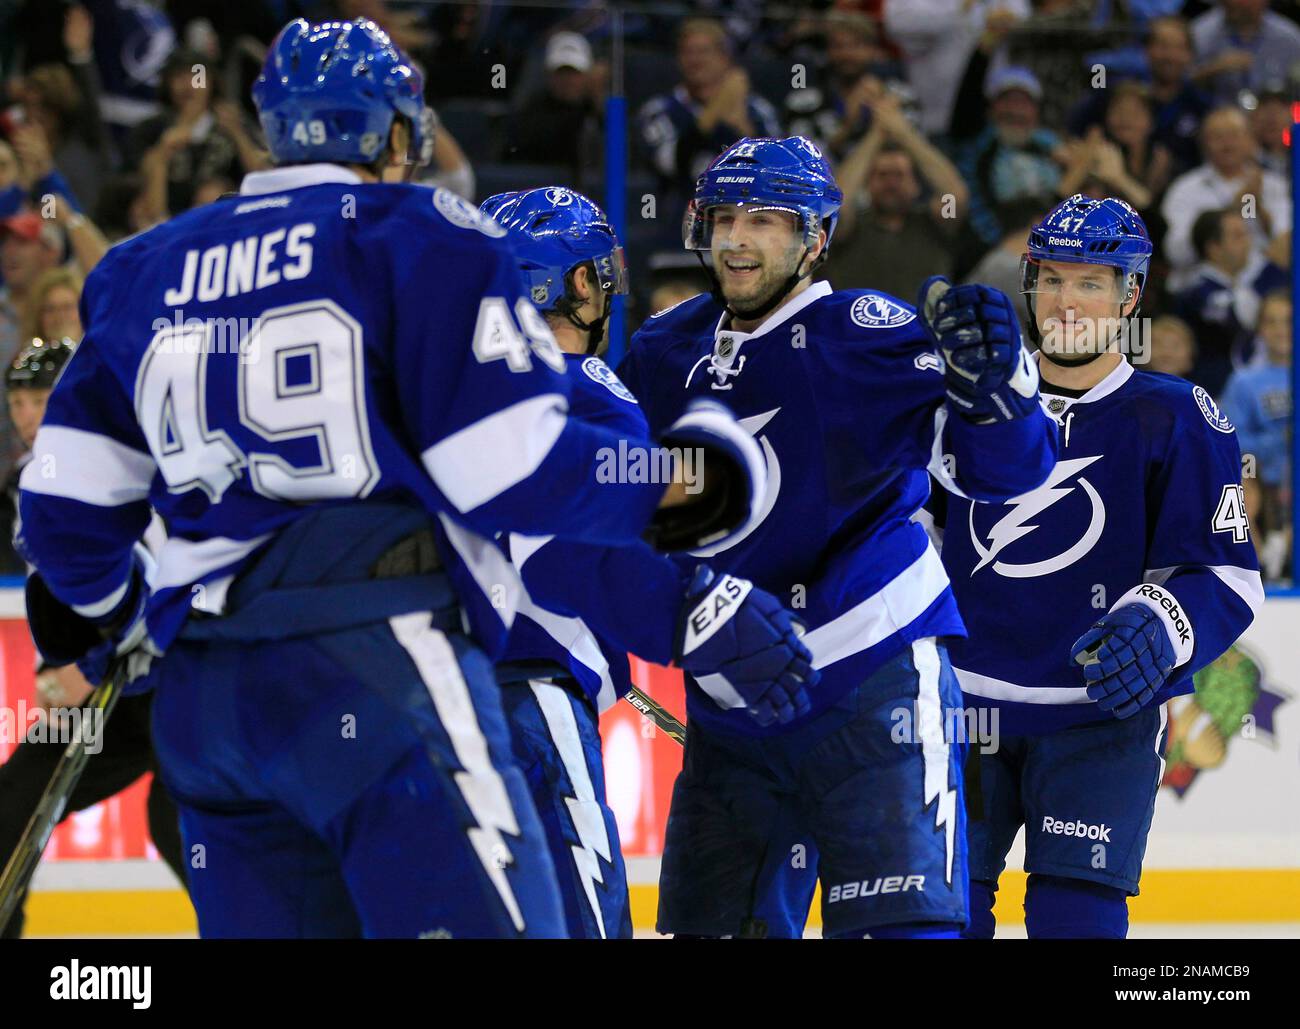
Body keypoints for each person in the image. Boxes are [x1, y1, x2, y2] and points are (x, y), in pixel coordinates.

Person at [15, 17, 798, 939]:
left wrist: (115, 615)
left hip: (208, 700)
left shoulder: (140, 267)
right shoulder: (423, 236)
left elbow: (64, 507)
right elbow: (515, 465)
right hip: (379, 664)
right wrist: (673, 477)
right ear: (396, 136)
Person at [616, 136, 1059, 939]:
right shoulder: (660, 350)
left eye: (765, 220)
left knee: (904, 932)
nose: (737, 239)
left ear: (814, 239)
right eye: (723, 217)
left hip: (872, 682)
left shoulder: (871, 334)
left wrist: (1002, 395)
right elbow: (621, 515)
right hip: (733, 707)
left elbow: (1009, 477)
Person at [481, 186, 819, 938]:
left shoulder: (432, 397)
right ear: (578, 284)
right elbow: (570, 548)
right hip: (527, 705)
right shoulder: (588, 389)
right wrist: (698, 613)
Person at [927, 194, 1262, 938]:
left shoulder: (1175, 415)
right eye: (1051, 280)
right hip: (963, 710)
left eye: (1090, 282)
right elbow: (912, 530)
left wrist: (1162, 623)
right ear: (1029, 285)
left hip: (1098, 719)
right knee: (940, 920)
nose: (1066, 301)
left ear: (1130, 293)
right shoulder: (960, 404)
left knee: (1075, 923)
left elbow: (1228, 575)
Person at [0, 335, 188, 937]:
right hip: (109, 692)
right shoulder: (30, 479)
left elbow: (160, 585)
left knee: (182, 825)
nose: (28, 414)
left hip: (170, 684)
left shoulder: (120, 463)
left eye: (40, 398)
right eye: (18, 401)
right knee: (11, 812)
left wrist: (96, 660)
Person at [827, 83, 969, 298]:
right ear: (867, 185)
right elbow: (836, 201)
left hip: (923, 331)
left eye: (900, 175)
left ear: (916, 186)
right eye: (882, 175)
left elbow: (954, 195)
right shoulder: (849, 228)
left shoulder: (936, 224)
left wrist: (904, 133)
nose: (891, 183)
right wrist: (876, 134)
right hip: (859, 330)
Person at [1160, 106, 1291, 281]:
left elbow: (1286, 242)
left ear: (1250, 140)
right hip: (1201, 288)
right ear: (1204, 144)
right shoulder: (1185, 189)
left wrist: (1257, 208)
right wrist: (1233, 208)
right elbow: (1176, 252)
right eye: (1218, 137)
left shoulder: (1274, 186)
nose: (1227, 144)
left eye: (1234, 135)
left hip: (1261, 287)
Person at [1175, 206, 1287, 394]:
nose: (1248, 243)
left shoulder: (1247, 284)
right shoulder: (1196, 293)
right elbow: (1242, 317)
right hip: (1214, 396)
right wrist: (1271, 263)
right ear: (1214, 248)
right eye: (1237, 236)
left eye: (1246, 234)